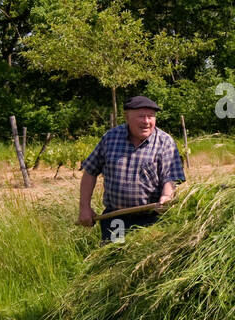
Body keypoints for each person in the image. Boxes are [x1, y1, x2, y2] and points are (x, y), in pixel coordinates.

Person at [78, 95, 186, 242]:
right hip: (115, 218)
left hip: (151, 219)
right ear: (127, 117)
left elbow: (171, 177)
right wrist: (84, 207)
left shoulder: (164, 142)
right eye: (141, 116)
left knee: (146, 259)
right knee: (114, 258)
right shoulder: (111, 138)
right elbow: (90, 171)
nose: (146, 121)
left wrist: (166, 197)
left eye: (151, 116)